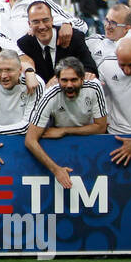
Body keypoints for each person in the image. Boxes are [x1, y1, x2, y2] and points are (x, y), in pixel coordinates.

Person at [24, 58, 108, 189]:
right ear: (57, 80)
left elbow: (101, 127)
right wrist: (56, 170)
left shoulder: (94, 87)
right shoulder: (50, 96)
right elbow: (30, 140)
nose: (69, 85)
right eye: (64, 80)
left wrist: (65, 131)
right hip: (60, 147)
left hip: (90, 144)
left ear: (82, 79)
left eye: (74, 80)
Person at [17, 0, 98, 83]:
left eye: (45, 20)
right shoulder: (24, 44)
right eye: (36, 22)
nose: (41, 26)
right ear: (29, 24)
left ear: (52, 20)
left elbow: (90, 68)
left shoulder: (74, 38)